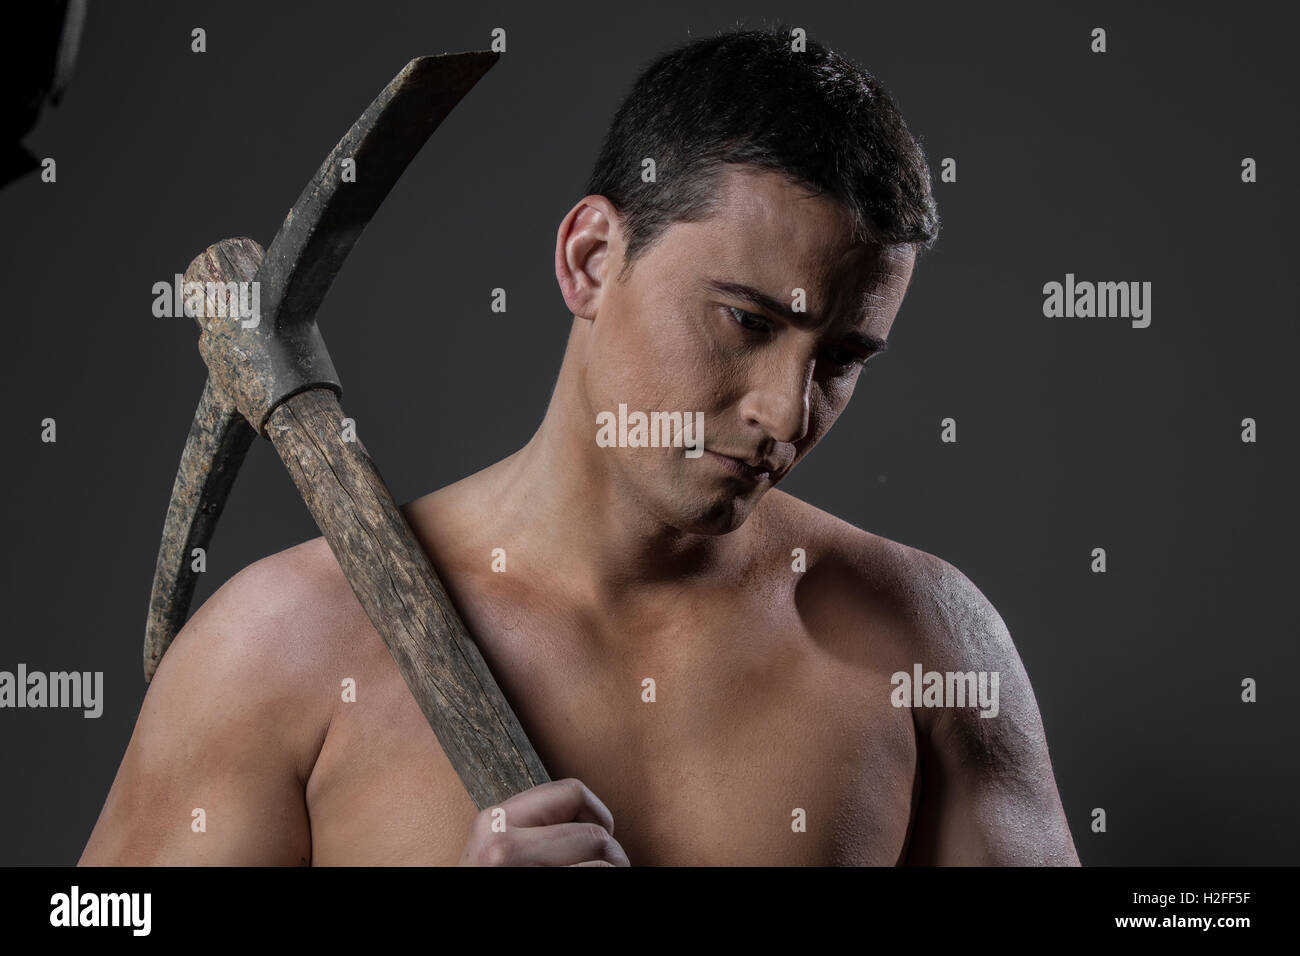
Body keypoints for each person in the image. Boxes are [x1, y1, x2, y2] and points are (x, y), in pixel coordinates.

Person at [80, 27, 1078, 866]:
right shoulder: (279, 647)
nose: (784, 412)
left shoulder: (924, 644)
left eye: (843, 357)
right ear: (590, 259)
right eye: (745, 321)